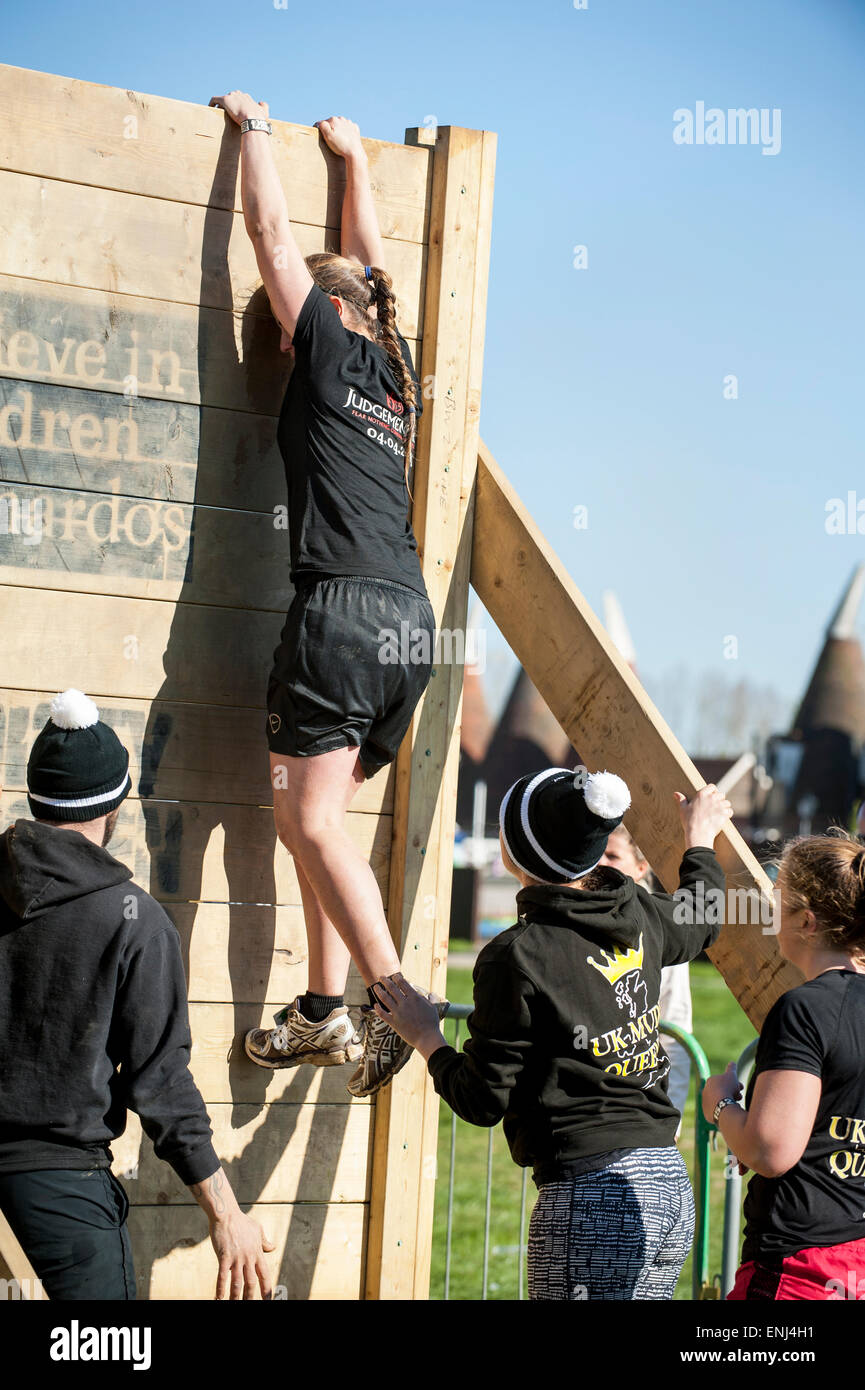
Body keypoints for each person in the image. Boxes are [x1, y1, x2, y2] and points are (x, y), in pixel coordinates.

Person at [208, 92, 441, 1096]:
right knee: (315, 810)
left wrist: (250, 129)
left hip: (341, 611)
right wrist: (351, 161)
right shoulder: (394, 366)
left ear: (323, 315)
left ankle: (393, 1005)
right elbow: (371, 268)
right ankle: (320, 1009)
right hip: (409, 622)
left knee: (306, 822)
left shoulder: (334, 347)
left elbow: (268, 233)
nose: (286, 333)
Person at [375, 768, 734, 1300]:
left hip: (591, 1198)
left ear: (510, 853)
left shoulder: (515, 956)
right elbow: (703, 917)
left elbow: (481, 1098)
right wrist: (699, 840)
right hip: (667, 1184)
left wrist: (426, 1035)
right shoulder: (636, 911)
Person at [0, 690, 273, 1301]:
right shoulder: (134, 920)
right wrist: (226, 1213)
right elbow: (160, 1084)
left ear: (36, 796)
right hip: (61, 1176)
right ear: (115, 804)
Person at [703, 831, 865, 1301]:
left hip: (801, 1269)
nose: (770, 914)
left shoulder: (805, 1009)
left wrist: (721, 1104)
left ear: (807, 922)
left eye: (777, 899)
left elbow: (770, 1151)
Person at [600, 825, 694, 1128]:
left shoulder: (660, 928)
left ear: (641, 867)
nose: (601, 863)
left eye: (613, 855)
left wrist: (673, 1114)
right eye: (597, 853)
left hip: (640, 1107)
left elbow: (676, 1032)